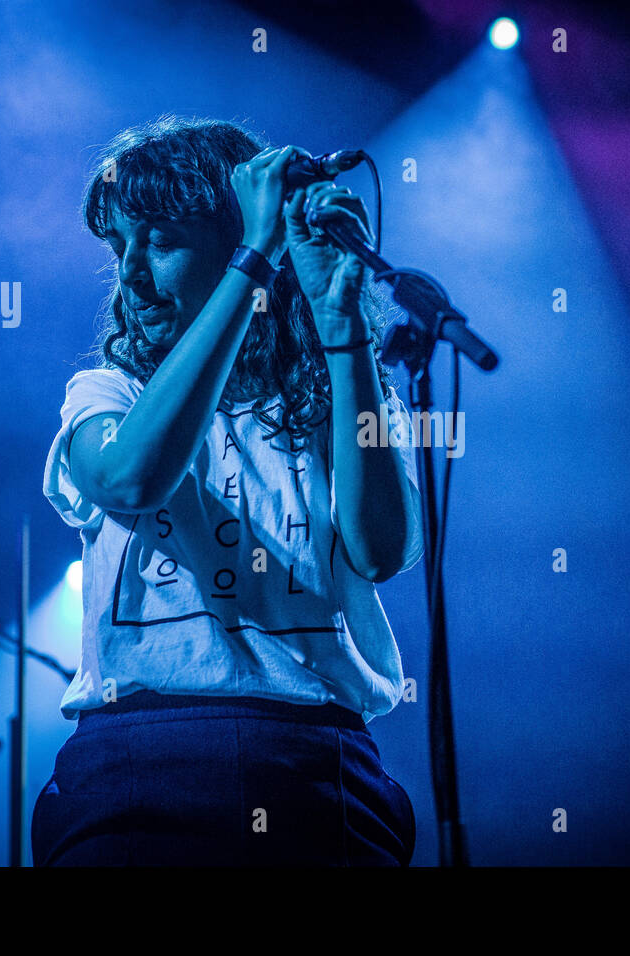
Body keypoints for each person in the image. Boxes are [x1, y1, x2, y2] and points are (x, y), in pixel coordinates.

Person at [31, 115, 424, 866]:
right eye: (121, 247)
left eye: (162, 241)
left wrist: (343, 329)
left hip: (318, 767)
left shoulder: (337, 391)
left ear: (236, 237)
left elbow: (382, 551)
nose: (131, 275)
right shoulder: (105, 391)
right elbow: (130, 477)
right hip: (132, 771)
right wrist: (253, 261)